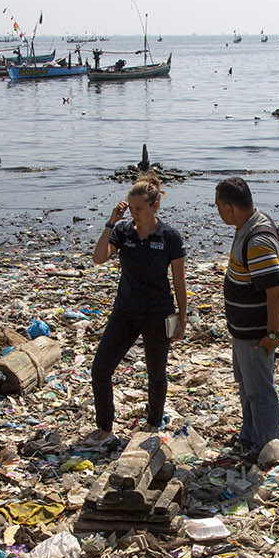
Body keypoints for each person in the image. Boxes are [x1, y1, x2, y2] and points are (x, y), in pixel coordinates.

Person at [85, 173, 187, 448]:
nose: (134, 213)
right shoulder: (123, 231)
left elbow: (179, 280)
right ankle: (105, 428)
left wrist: (182, 319)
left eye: (139, 208)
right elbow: (98, 259)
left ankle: (154, 422)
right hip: (125, 311)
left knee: (156, 372)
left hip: (158, 312)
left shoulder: (169, 237)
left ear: (155, 206)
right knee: (101, 368)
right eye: (130, 208)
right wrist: (111, 221)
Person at [214, 177, 279, 456]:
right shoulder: (248, 224)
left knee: (259, 391)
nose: (218, 211)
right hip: (242, 331)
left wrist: (272, 335)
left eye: (219, 206)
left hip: (256, 333)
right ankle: (250, 437)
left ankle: (266, 447)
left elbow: (277, 291)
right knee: (247, 387)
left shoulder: (257, 240)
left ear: (230, 208)